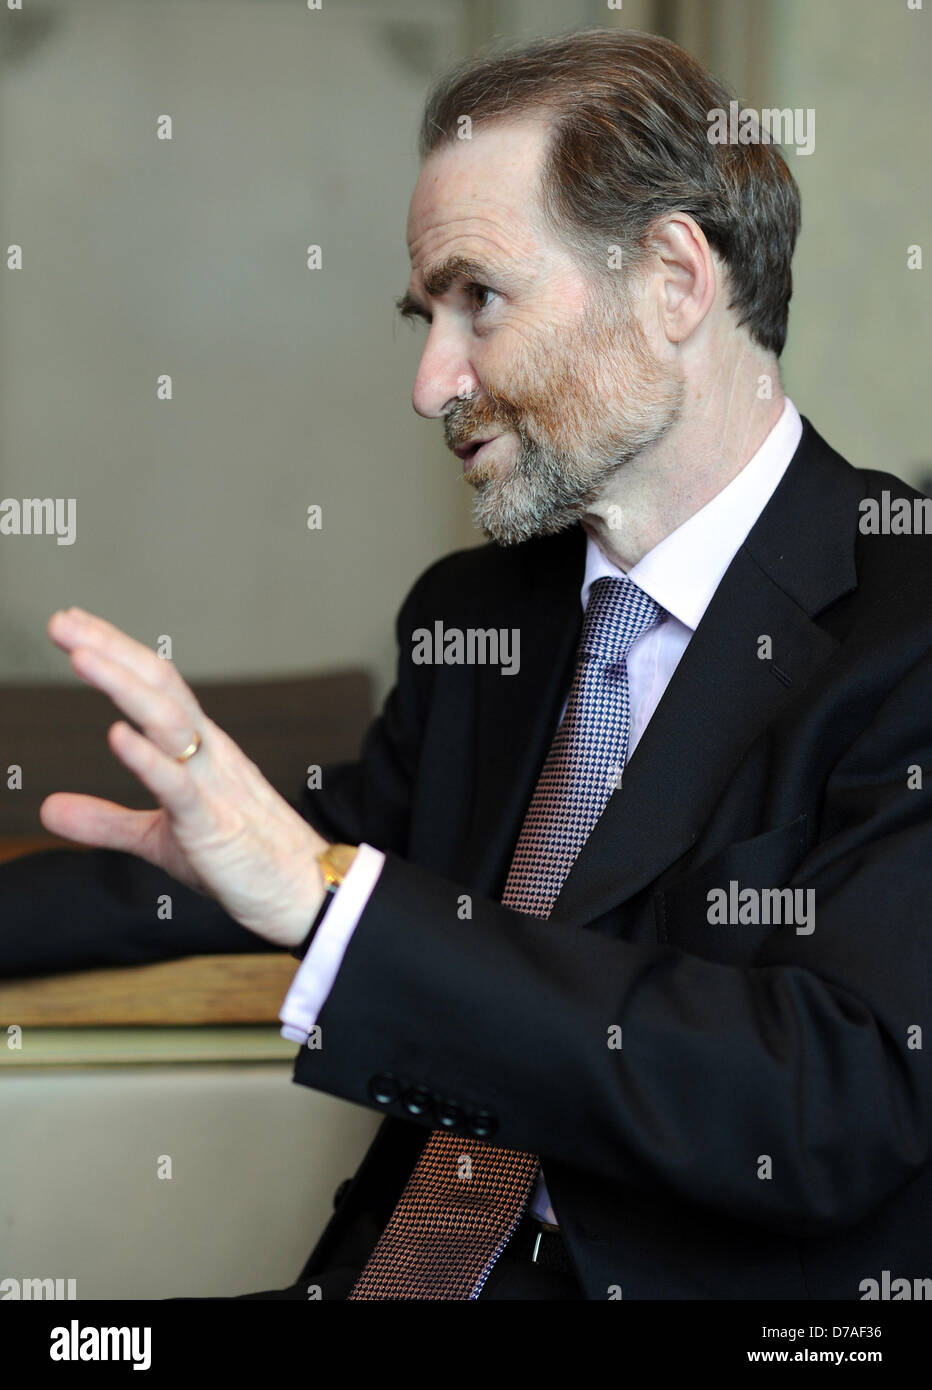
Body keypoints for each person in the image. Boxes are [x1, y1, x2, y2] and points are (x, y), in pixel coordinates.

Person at [3, 28, 930, 1301]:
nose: (433, 379)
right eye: (422, 314)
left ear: (670, 278)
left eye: (476, 299)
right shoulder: (480, 619)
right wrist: (276, 870)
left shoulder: (905, 620)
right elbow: (277, 853)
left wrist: (331, 899)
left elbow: (833, 1105)